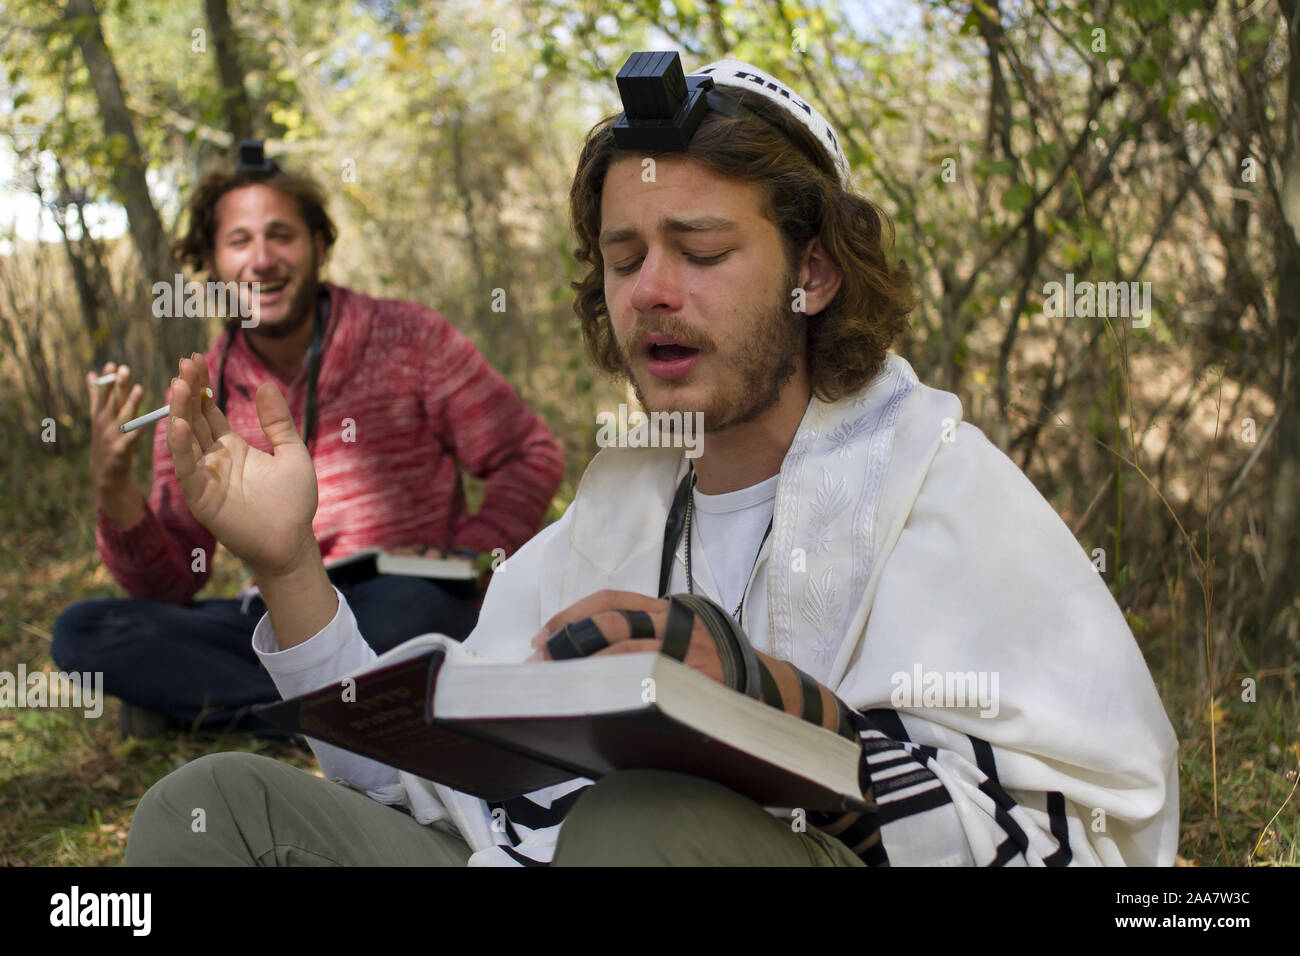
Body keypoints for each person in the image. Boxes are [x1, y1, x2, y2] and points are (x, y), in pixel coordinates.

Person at [126, 55, 1178, 866]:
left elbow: (1060, 829)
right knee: (213, 812)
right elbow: (421, 774)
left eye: (703, 251)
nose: (651, 290)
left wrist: (769, 702)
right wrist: (289, 568)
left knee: (642, 823)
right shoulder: (612, 514)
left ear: (812, 269)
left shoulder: (945, 488)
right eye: (625, 258)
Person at [52, 144, 565, 735]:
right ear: (213, 263)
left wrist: (468, 555)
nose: (262, 259)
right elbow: (170, 584)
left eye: (282, 236)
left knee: (413, 615)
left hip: (397, 599)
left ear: (319, 247)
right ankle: (354, 710)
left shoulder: (410, 337)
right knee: (87, 630)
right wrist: (114, 488)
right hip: (277, 615)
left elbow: (528, 454)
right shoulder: (199, 390)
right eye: (239, 241)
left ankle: (222, 710)